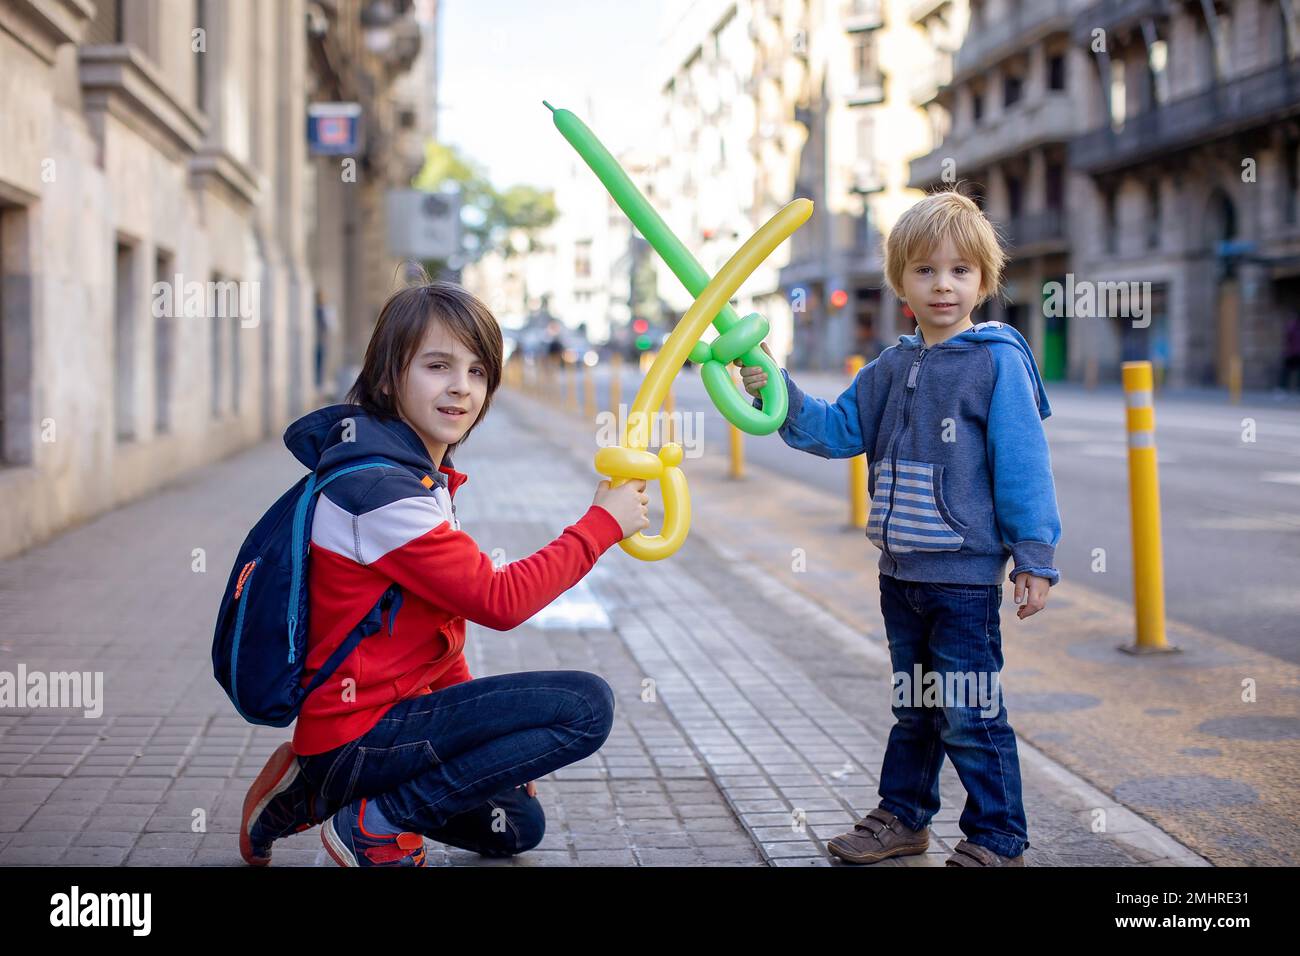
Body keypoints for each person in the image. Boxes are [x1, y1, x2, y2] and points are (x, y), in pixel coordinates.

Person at [239, 280, 649, 867]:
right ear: (386, 378)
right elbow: (497, 601)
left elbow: (440, 627)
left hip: (379, 730)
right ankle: (372, 825)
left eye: (479, 371)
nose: (462, 386)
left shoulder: (419, 476)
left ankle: (301, 792)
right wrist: (601, 526)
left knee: (517, 827)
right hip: (361, 732)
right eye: (438, 366)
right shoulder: (378, 492)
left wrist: (490, 743)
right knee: (586, 706)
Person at [738, 190, 1061, 867]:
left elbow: (1024, 465)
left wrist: (1034, 556)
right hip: (900, 578)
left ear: (983, 280)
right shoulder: (888, 367)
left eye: (960, 271)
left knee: (969, 714)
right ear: (901, 281)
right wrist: (775, 386)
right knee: (915, 711)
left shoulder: (995, 360)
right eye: (924, 270)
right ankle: (905, 817)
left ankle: (998, 838)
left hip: (965, 583)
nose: (942, 284)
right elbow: (832, 432)